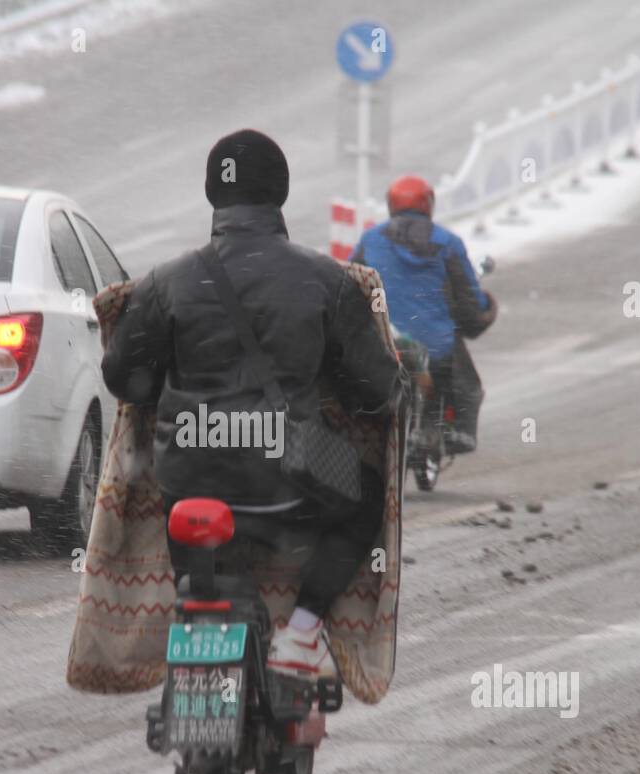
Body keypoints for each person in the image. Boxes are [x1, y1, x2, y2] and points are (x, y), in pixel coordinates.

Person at [101, 129, 403, 682]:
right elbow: (377, 393)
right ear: (280, 194)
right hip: (291, 482)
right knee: (362, 500)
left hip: (188, 479)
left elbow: (127, 382)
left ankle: (195, 611)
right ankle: (303, 631)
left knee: (186, 522)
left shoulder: (165, 282)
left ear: (214, 195)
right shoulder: (327, 281)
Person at [352, 175, 497, 453]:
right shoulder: (448, 243)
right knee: (466, 383)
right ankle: (458, 430)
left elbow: (348, 283)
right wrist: (484, 309)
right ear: (429, 203)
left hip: (382, 339)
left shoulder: (370, 240)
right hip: (435, 343)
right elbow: (469, 301)